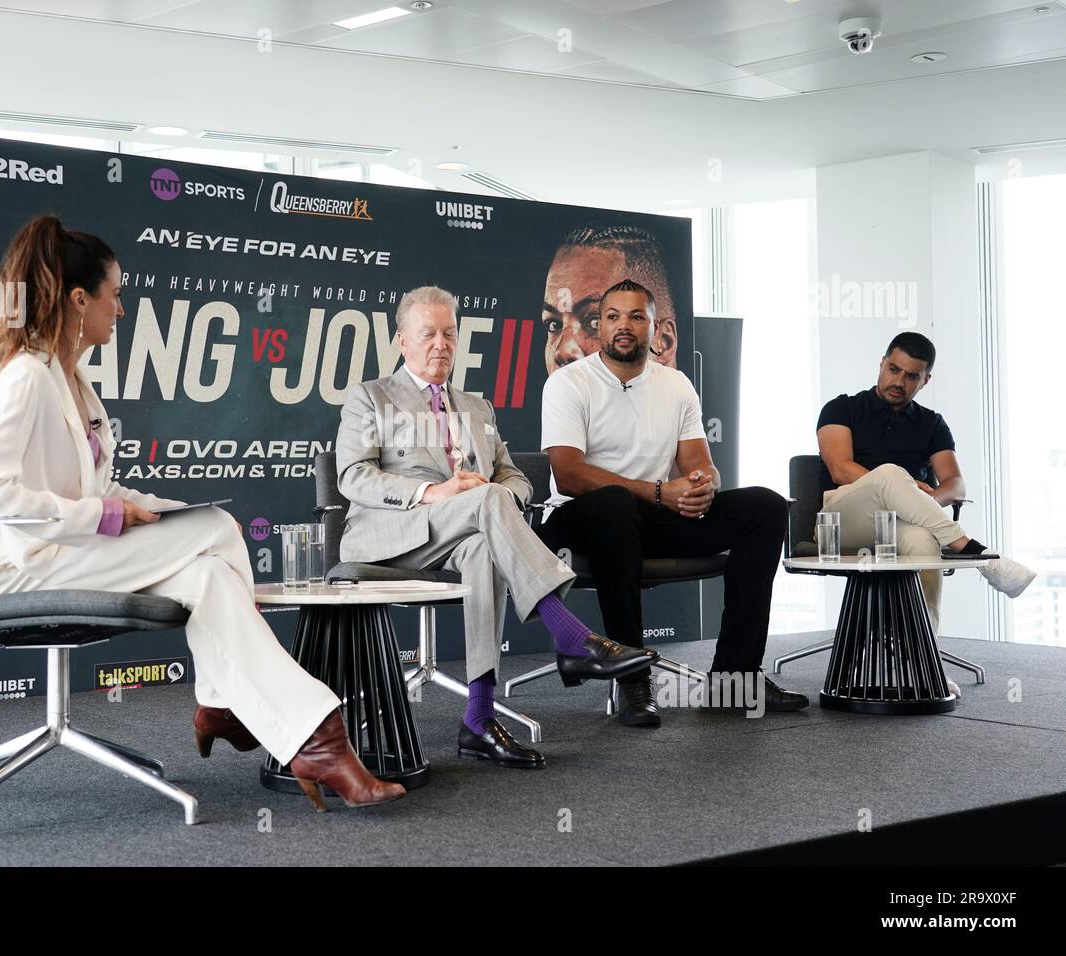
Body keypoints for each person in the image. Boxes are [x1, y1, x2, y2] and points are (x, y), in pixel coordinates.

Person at [0, 215, 403, 811]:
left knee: (208, 573)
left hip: (67, 553)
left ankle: (307, 739)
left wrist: (147, 507)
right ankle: (235, 705)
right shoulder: (26, 378)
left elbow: (101, 485)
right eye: (114, 296)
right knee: (217, 531)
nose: (121, 309)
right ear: (79, 299)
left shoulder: (73, 382)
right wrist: (102, 515)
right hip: (18, 568)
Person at [335, 285, 656, 768]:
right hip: (391, 536)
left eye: (449, 333)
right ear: (402, 340)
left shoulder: (477, 409)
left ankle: (478, 718)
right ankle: (571, 637)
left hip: (462, 534)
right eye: (428, 334)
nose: (440, 344)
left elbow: (515, 476)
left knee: (486, 539)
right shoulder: (371, 398)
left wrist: (502, 497)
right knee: (485, 503)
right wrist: (432, 493)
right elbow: (351, 475)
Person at [540, 279, 808, 727]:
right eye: (612, 317)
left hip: (653, 518)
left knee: (764, 506)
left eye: (636, 317)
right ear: (599, 327)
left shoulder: (676, 384)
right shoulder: (570, 383)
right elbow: (569, 476)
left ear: (657, 327)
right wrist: (661, 492)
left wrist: (702, 485)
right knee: (614, 505)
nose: (624, 326)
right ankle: (633, 681)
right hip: (581, 519)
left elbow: (700, 464)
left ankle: (734, 680)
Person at [817, 332, 1036, 630]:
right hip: (843, 523)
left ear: (925, 380)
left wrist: (919, 502)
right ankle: (978, 553)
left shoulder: (931, 423)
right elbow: (840, 469)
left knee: (923, 540)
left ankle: (926, 662)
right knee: (890, 474)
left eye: (911, 376)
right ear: (882, 364)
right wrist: (903, 485)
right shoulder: (841, 408)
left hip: (903, 522)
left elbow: (956, 484)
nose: (899, 382)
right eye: (894, 370)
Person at [540, 223, 681, 375]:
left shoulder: (684, 394)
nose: (562, 352)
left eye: (595, 322)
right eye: (554, 325)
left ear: (664, 342)